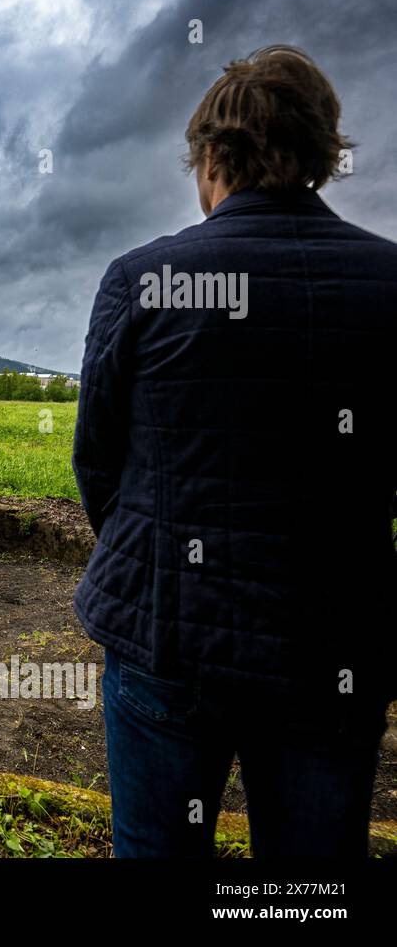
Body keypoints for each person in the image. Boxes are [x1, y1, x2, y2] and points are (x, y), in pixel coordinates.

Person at [73, 45, 397, 857]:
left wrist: (152, 548)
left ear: (212, 157)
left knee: (154, 850)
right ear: (323, 156)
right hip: (332, 646)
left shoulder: (148, 279)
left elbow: (98, 463)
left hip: (166, 637)